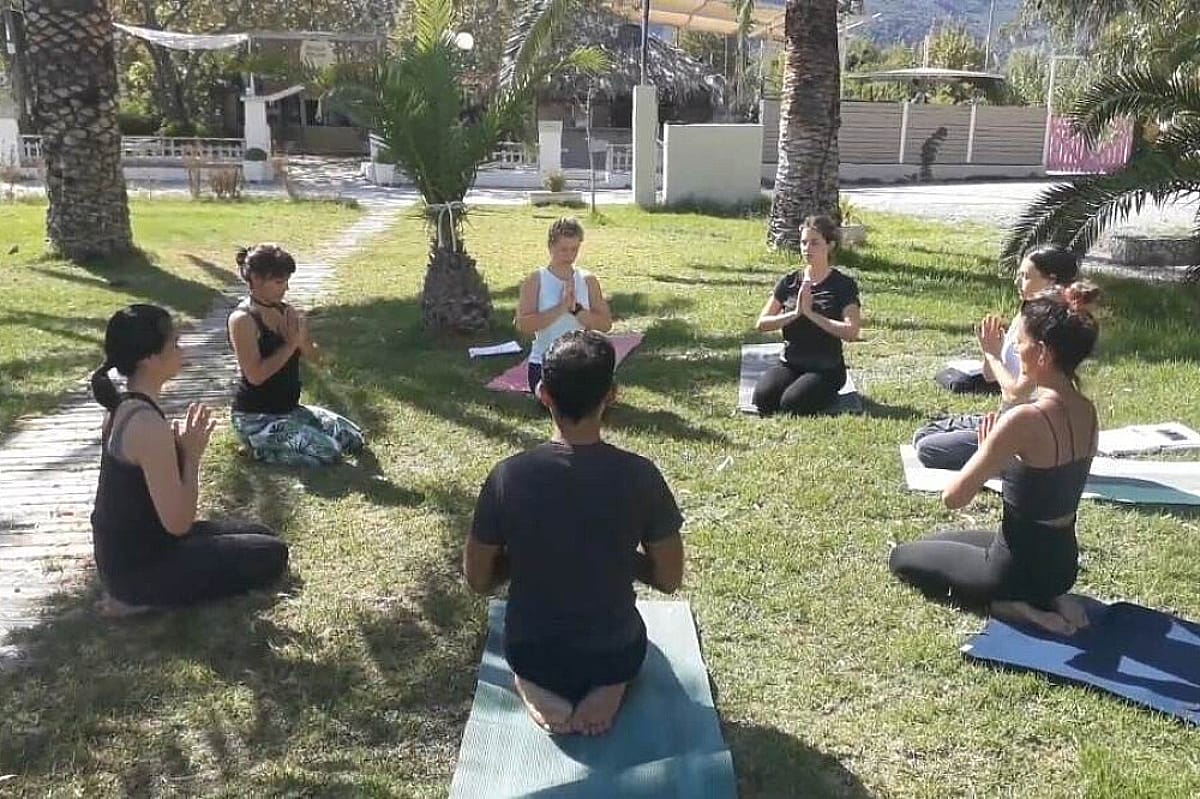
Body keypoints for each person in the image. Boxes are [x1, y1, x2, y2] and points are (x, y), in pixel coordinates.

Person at [464, 331, 685, 735]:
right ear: (613, 394)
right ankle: (611, 683)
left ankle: (531, 682)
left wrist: (535, 550)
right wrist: (612, 550)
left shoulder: (508, 476)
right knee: (624, 649)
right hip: (615, 652)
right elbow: (669, 579)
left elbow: (478, 579)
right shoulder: (640, 476)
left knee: (533, 655)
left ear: (544, 394)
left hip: (530, 652)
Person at [889, 283, 1102, 635]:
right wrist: (1004, 461)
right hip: (1063, 562)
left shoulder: (1024, 419)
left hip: (1013, 566)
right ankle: (1053, 596)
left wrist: (987, 451)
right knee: (940, 539)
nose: (1016, 348)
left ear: (1044, 353)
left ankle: (1019, 607)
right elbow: (1046, 486)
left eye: (1021, 343)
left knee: (902, 557)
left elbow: (954, 497)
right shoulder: (1087, 410)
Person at [89, 304, 289, 616]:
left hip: (132, 556)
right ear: (150, 358)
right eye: (175, 343)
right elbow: (179, 523)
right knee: (273, 553)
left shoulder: (122, 406)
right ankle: (135, 602)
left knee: (261, 532)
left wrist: (180, 449)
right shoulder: (146, 425)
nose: (183, 348)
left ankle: (130, 593)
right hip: (142, 571)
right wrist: (192, 455)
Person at [914, 246, 1083, 470]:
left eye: (1026, 276)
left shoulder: (1051, 328)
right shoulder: (1025, 313)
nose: (1018, 282)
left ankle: (1008, 459)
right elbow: (990, 376)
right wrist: (990, 350)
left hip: (1032, 428)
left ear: (1050, 281)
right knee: (923, 434)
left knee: (929, 449)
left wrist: (993, 355)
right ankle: (997, 450)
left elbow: (1016, 393)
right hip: (1009, 415)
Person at [227, 244, 364, 467]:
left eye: (287, 281)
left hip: (289, 410)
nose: (286, 288)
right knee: (329, 453)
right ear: (256, 279)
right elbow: (255, 375)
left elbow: (316, 357)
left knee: (353, 439)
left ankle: (285, 438)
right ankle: (257, 450)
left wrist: (305, 343)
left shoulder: (286, 311)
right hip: (256, 418)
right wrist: (291, 345)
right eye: (279, 282)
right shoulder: (242, 320)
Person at [752, 214, 861, 416]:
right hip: (791, 363)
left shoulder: (843, 285)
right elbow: (762, 323)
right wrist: (795, 313)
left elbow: (851, 331)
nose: (806, 248)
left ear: (830, 245)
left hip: (826, 368)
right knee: (763, 399)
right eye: (803, 243)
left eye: (814, 243)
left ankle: (824, 392)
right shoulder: (790, 281)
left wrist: (811, 314)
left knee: (792, 404)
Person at [515, 217, 613, 394]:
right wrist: (561, 308)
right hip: (545, 363)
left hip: (581, 362)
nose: (569, 255)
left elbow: (605, 325)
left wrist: (577, 310)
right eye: (563, 249)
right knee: (563, 399)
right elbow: (523, 325)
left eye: (574, 249)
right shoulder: (536, 280)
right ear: (550, 247)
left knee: (591, 399)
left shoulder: (588, 280)